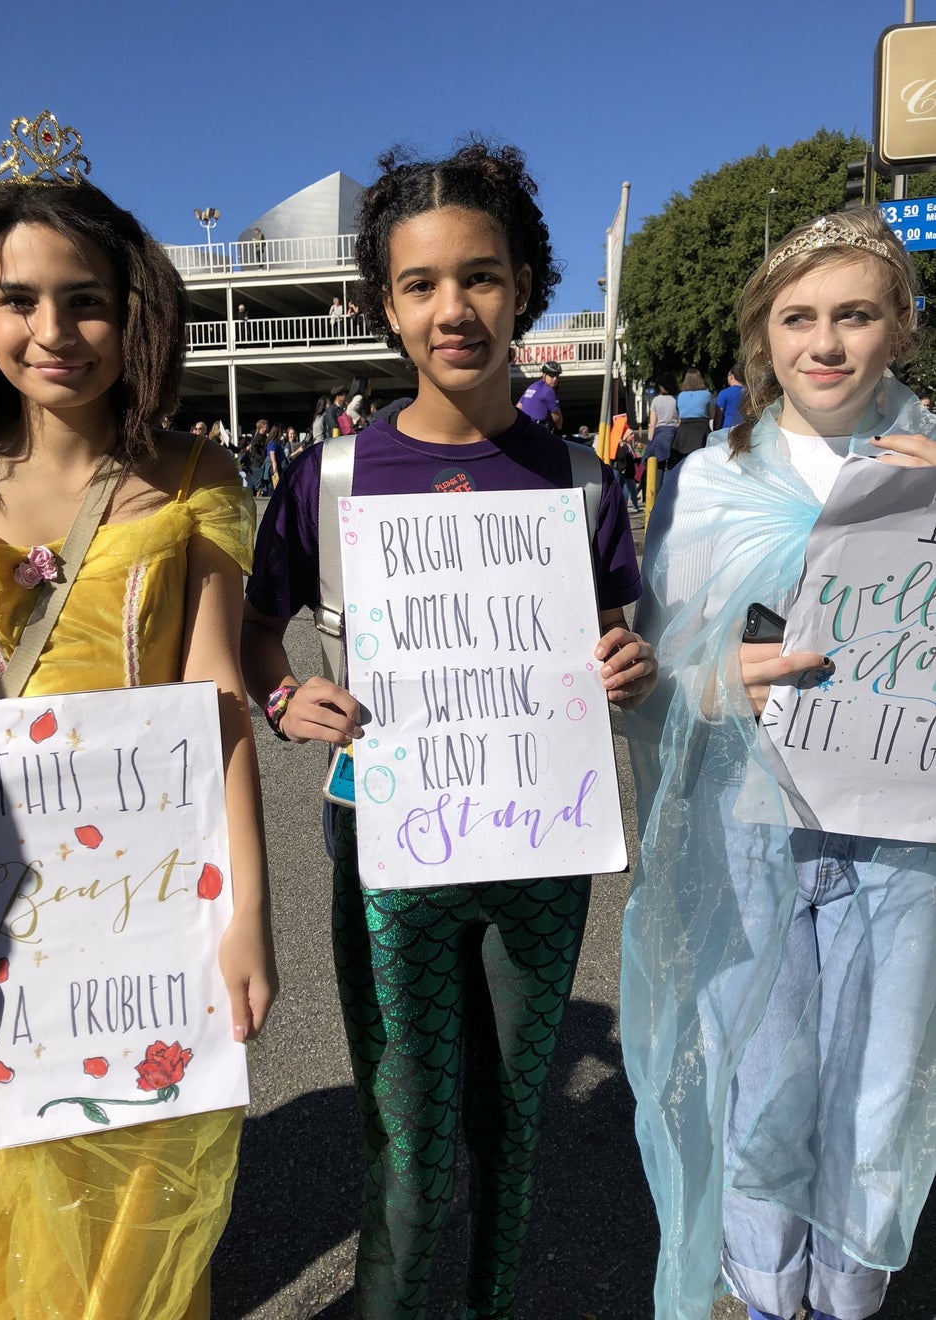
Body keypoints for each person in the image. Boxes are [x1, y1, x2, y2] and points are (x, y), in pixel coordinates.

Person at [241, 139, 657, 1320]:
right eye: (420, 283)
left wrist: (627, 665)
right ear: (386, 304)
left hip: (539, 851)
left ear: (525, 286)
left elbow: (607, 638)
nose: (453, 308)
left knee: (509, 1132)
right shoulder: (329, 477)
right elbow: (258, 637)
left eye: (480, 276)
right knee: (412, 1148)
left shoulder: (580, 481)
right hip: (390, 850)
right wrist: (283, 697)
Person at [0, 110, 276, 1319]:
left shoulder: (194, 477)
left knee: (136, 1212)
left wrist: (249, 910)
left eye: (84, 300)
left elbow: (219, 699)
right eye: (17, 300)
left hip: (145, 909)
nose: (52, 331)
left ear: (132, 310)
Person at [622, 208, 936, 1320]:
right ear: (764, 335)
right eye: (799, 318)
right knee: (760, 1069)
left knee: (881, 1078)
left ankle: (849, 1294)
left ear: (901, 327)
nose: (826, 343)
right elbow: (658, 661)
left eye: (856, 315)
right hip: (750, 822)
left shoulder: (934, 464)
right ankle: (766, 1291)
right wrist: (711, 678)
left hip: (904, 833)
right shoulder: (712, 481)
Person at [669, 367, 713, 467]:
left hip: (684, 432)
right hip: (701, 430)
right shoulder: (707, 395)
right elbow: (712, 415)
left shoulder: (680, 396)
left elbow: (678, 414)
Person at [644, 378, 678, 490]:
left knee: (658, 465)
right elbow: (679, 420)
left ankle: (657, 493)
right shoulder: (676, 399)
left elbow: (652, 423)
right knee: (672, 465)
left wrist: (650, 440)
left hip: (659, 434)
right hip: (673, 434)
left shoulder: (656, 400)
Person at [516, 359, 563, 430]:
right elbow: (556, 416)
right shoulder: (548, 390)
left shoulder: (532, 386)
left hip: (522, 428)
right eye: (552, 375)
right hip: (536, 429)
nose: (555, 379)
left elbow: (518, 407)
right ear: (544, 375)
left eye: (557, 375)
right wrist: (559, 430)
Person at [613, 425, 640, 511]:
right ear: (626, 436)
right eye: (631, 434)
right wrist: (621, 446)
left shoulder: (629, 446)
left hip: (630, 472)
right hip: (626, 472)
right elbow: (621, 456)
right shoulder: (624, 446)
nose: (633, 435)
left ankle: (634, 507)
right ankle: (626, 508)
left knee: (632, 490)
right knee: (627, 491)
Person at [714, 361, 745, 430]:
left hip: (727, 429)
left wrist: (715, 431)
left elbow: (718, 416)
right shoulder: (749, 393)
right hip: (745, 428)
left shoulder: (724, 393)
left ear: (731, 376)